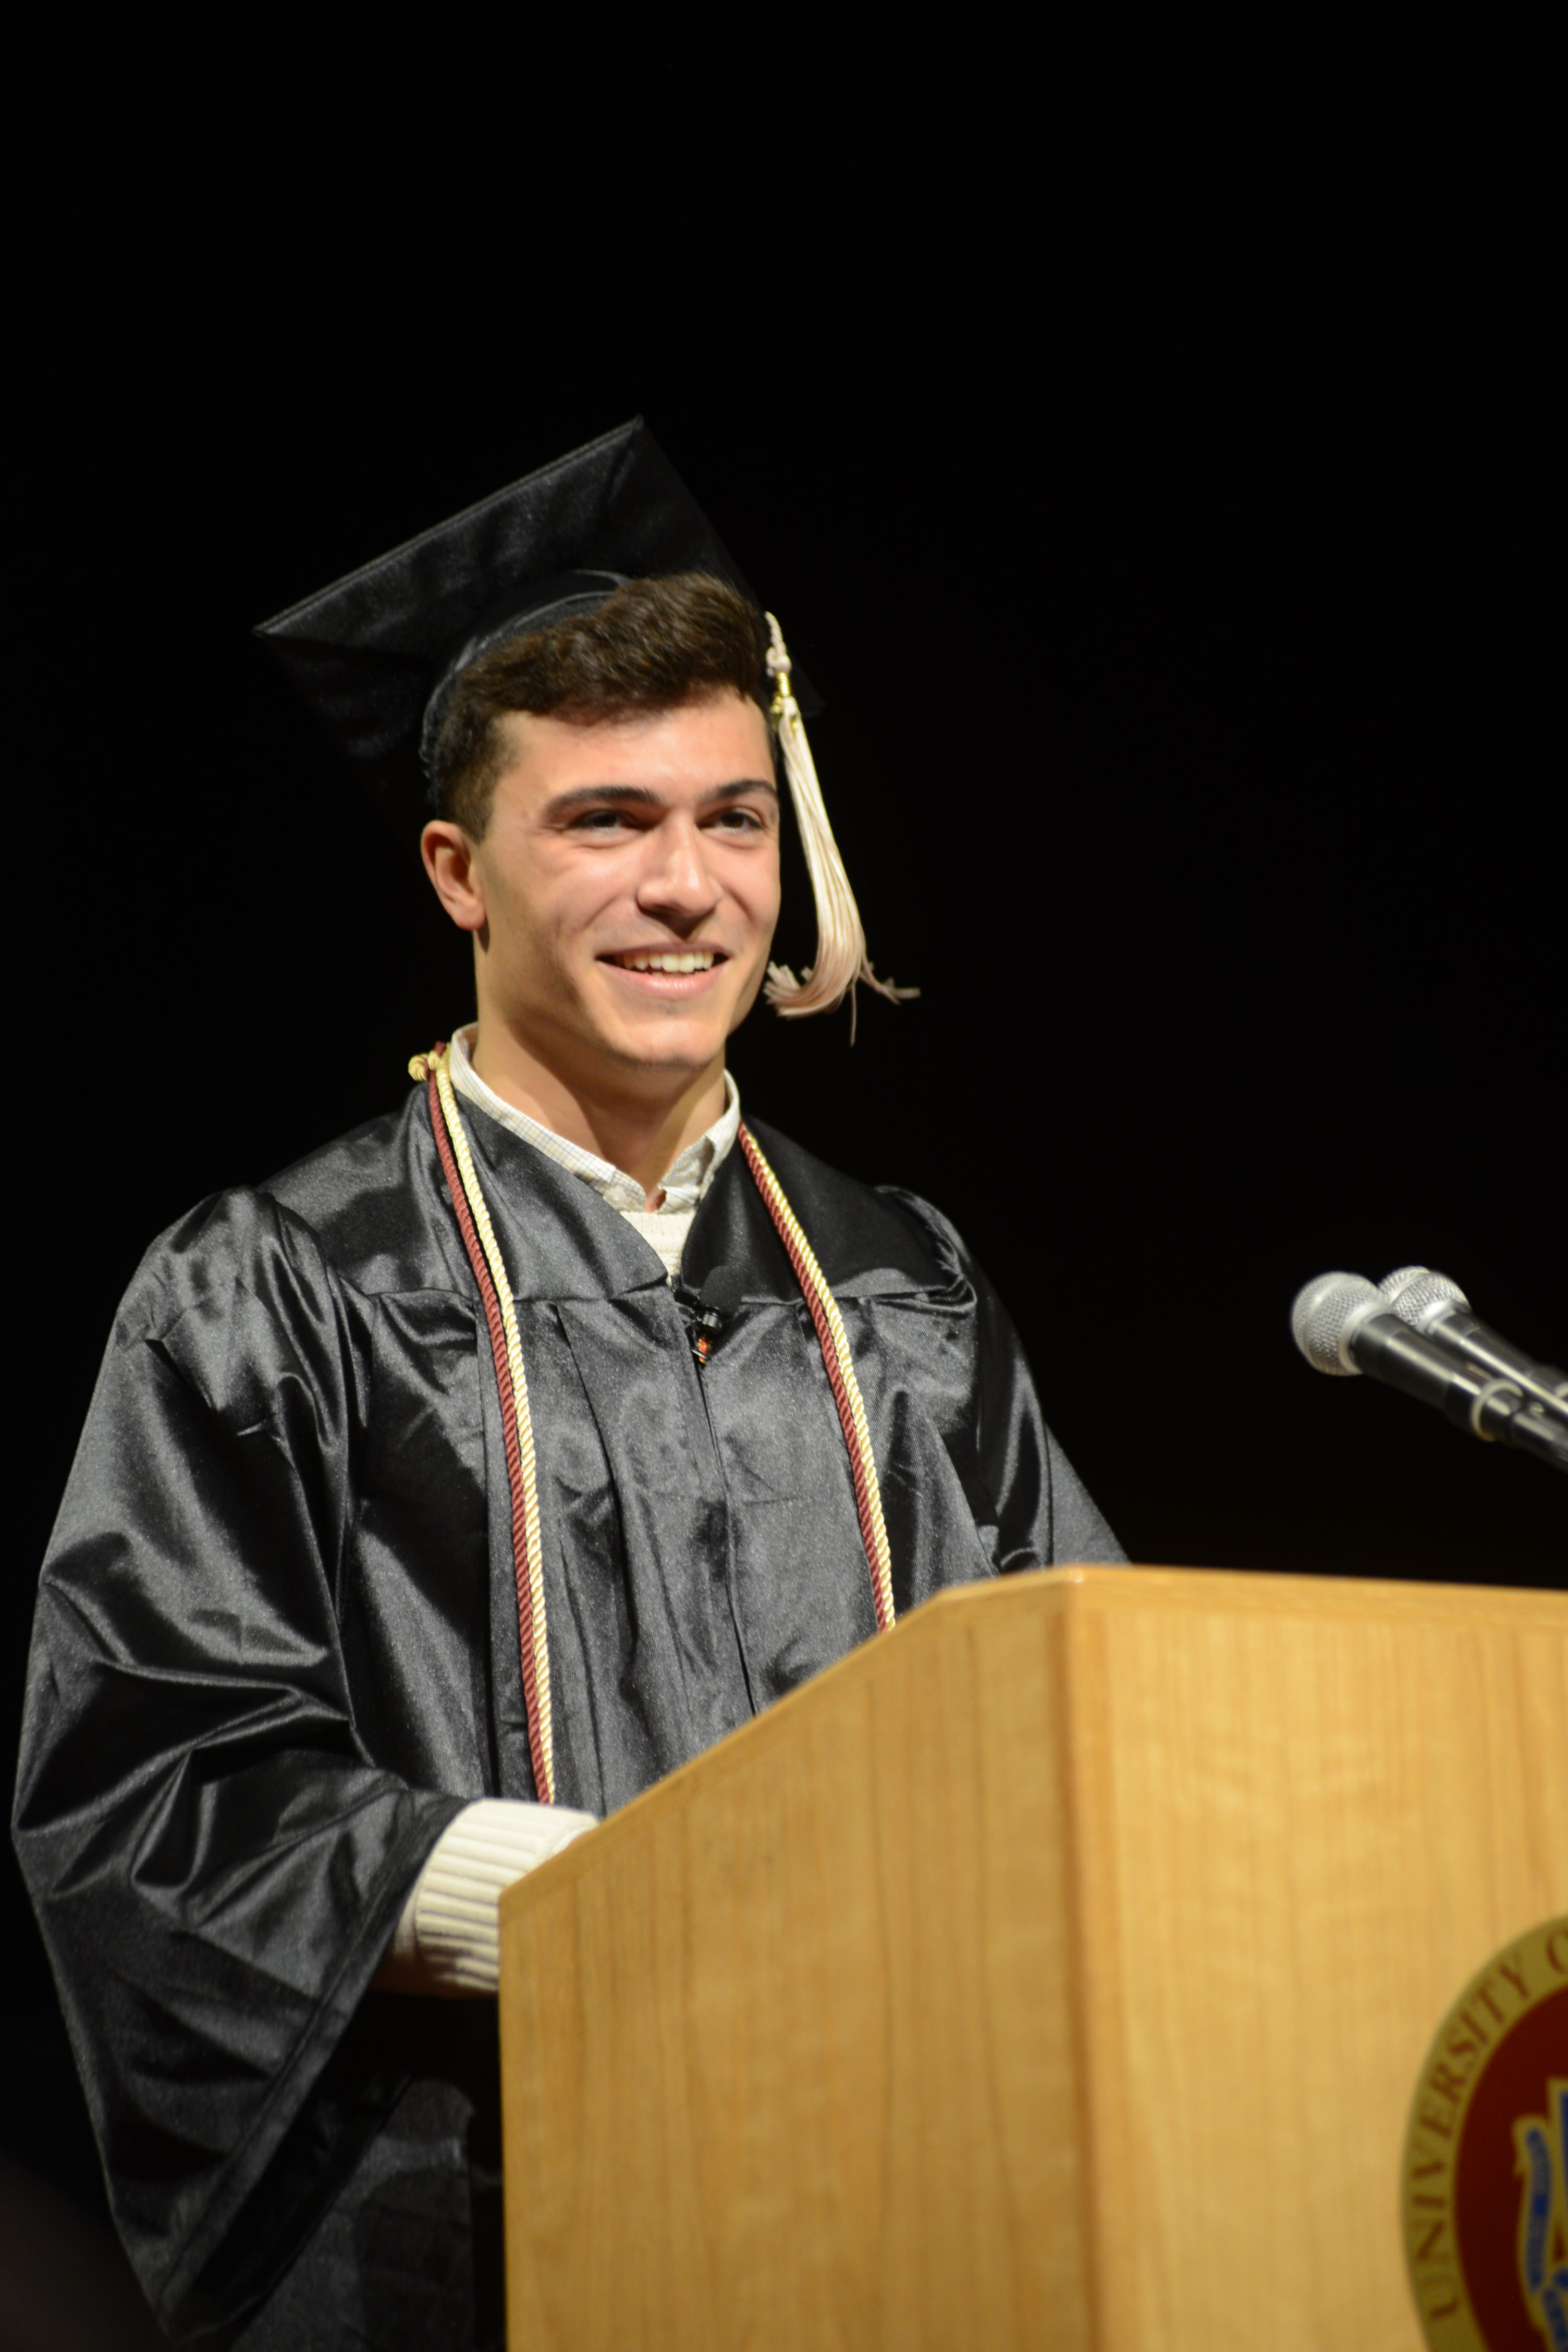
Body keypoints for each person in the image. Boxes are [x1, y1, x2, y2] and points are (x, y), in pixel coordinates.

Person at [14, 420, 1123, 2348]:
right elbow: (151, 1791)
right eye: (606, 821)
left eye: (734, 818)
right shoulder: (282, 1288)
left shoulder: (904, 1289)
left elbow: (1092, 1723)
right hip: (472, 2248)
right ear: (459, 869)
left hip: (908, 2218)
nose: (687, 887)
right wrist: (601, 1904)